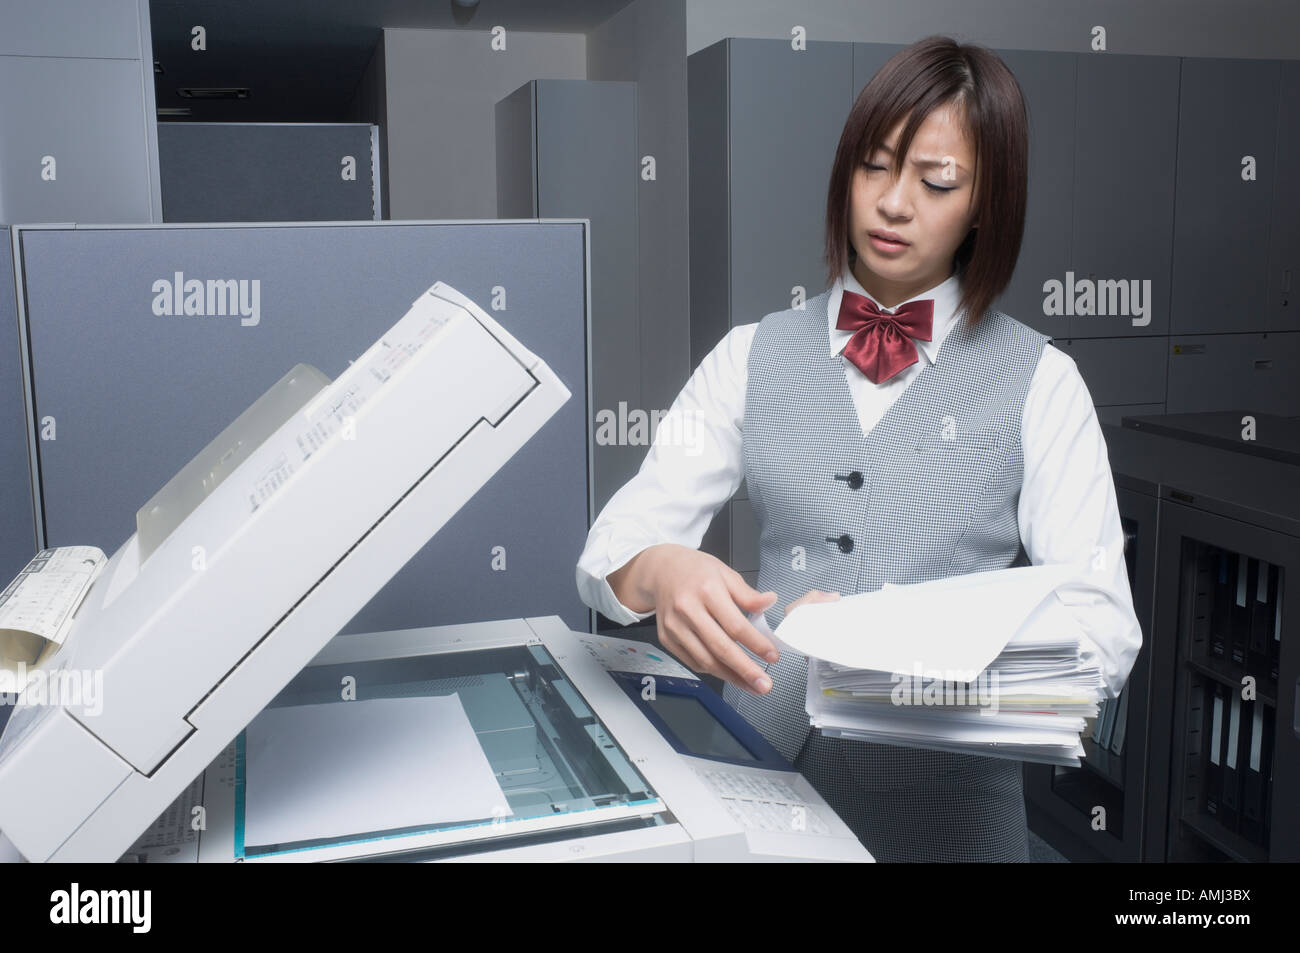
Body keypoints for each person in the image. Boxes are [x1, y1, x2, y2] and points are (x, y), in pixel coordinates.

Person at [575, 35, 1141, 862]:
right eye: (874, 166)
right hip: (754, 789)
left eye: (936, 180)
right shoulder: (748, 355)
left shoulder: (1044, 383)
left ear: (985, 205)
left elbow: (1102, 638)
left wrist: (885, 643)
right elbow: (607, 553)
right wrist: (665, 573)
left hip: (950, 827)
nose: (894, 203)